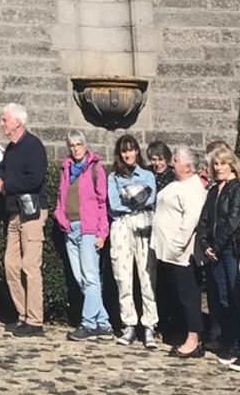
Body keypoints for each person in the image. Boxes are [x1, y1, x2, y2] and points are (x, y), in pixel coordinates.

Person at [0, 103, 48, 336]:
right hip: (14, 213)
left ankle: (35, 320)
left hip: (32, 213)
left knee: (30, 266)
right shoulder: (11, 148)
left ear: (17, 121)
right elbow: (0, 168)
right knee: (11, 265)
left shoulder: (33, 146)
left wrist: (7, 186)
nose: (2, 124)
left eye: (5, 120)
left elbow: (34, 179)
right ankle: (23, 314)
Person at [198, 145, 240, 370]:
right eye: (215, 164)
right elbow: (204, 221)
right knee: (222, 300)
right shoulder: (213, 191)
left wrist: (217, 247)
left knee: (237, 298)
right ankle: (232, 343)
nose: (218, 168)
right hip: (215, 253)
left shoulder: (237, 189)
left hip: (230, 251)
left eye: (222, 163)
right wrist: (205, 244)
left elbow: (233, 221)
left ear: (232, 165)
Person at [55, 130, 111, 341]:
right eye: (72, 145)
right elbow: (62, 197)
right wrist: (61, 218)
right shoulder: (66, 169)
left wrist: (101, 233)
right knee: (82, 279)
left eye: (78, 144)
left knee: (90, 276)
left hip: (89, 229)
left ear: (85, 146)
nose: (75, 148)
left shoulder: (95, 169)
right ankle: (103, 324)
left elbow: (102, 203)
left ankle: (88, 323)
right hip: (70, 228)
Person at [153, 145, 208, 357]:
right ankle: (181, 332)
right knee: (175, 295)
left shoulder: (193, 188)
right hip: (167, 252)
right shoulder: (178, 184)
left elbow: (190, 220)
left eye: (175, 160)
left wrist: (177, 245)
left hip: (182, 253)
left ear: (187, 166)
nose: (172, 163)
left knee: (188, 296)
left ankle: (193, 340)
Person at [106, 133, 159, 348]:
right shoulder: (114, 177)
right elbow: (115, 204)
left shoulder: (147, 175)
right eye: (124, 150)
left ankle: (149, 326)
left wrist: (132, 198)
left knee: (147, 275)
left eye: (131, 149)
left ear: (137, 151)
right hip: (121, 225)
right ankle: (128, 324)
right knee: (123, 275)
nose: (128, 154)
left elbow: (151, 197)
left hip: (144, 223)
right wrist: (135, 199)